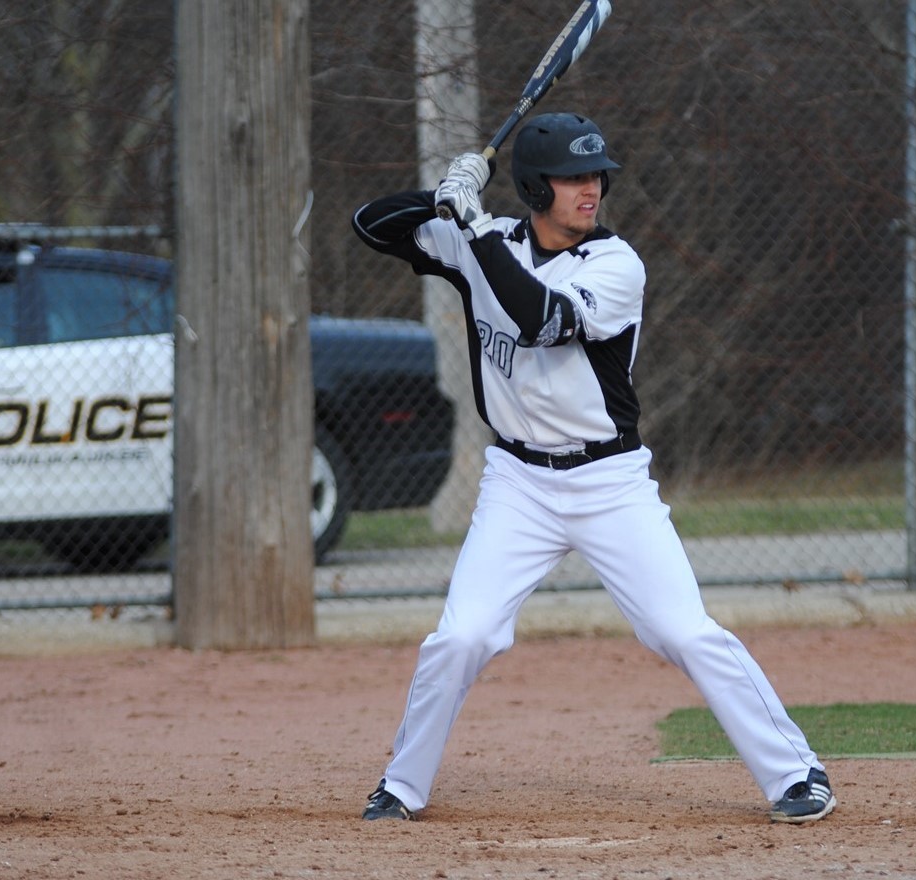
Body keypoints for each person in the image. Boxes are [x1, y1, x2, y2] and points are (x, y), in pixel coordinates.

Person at [349, 112, 837, 824]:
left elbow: (538, 319)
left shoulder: (615, 264)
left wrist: (475, 227)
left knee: (681, 630)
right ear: (533, 187)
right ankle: (401, 784)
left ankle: (796, 771)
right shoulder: (485, 239)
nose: (590, 190)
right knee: (462, 636)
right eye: (572, 177)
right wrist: (442, 196)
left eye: (594, 176)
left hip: (609, 482)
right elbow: (368, 226)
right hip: (517, 483)